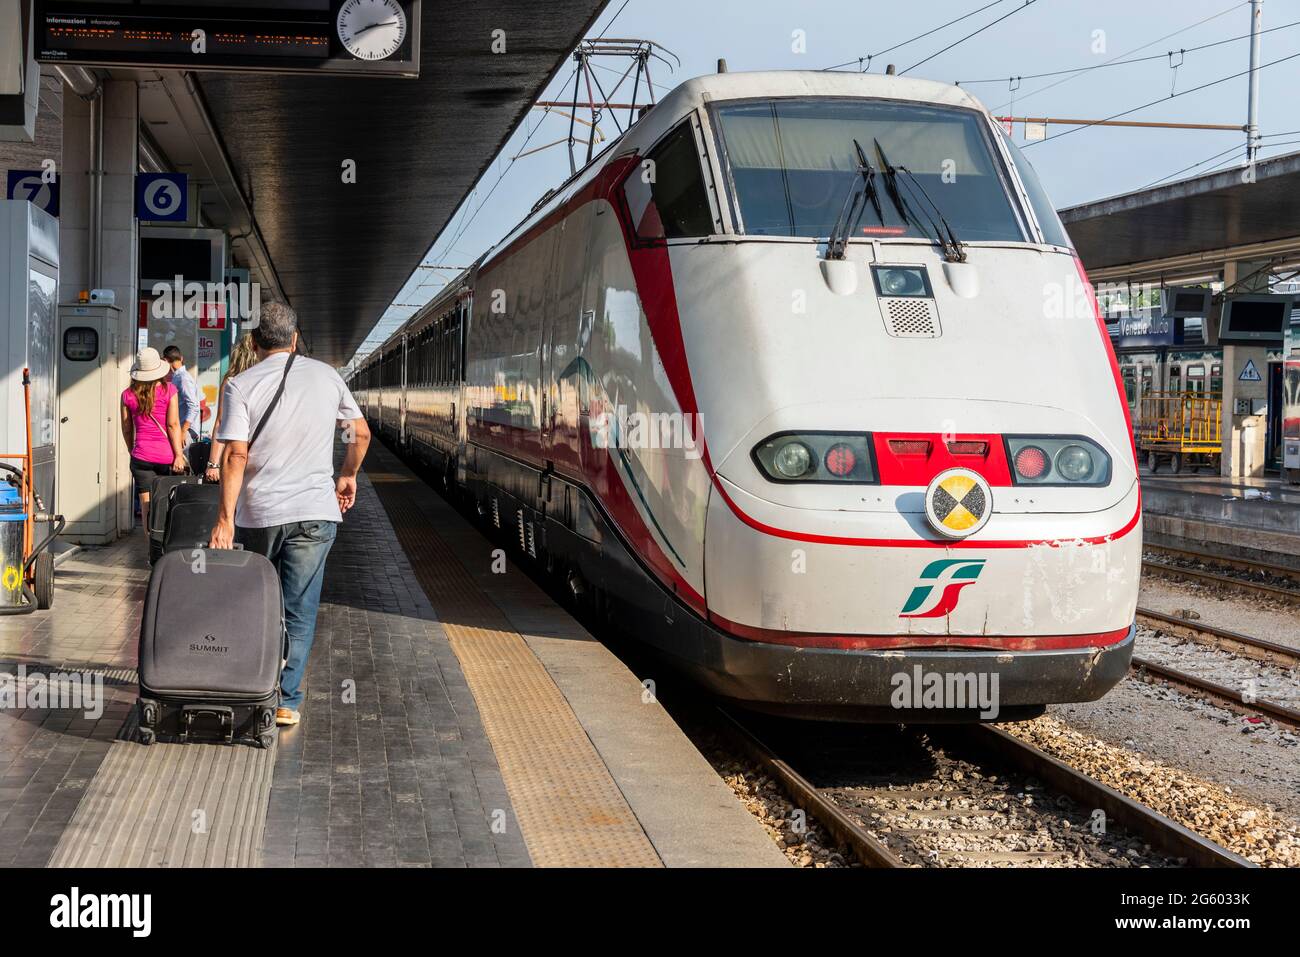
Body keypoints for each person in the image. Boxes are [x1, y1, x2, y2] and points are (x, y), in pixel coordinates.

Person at [208, 303, 371, 727]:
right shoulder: (327, 376)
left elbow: (236, 455)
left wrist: (225, 519)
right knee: (299, 607)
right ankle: (287, 701)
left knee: (255, 601)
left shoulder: (239, 385)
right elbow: (361, 432)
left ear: (255, 343)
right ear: (296, 339)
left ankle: (253, 686)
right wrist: (347, 475)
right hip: (316, 513)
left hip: (259, 512)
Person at [120, 347, 187, 534]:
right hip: (166, 457)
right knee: (165, 503)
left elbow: (126, 428)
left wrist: (131, 450)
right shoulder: (169, 390)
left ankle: (150, 552)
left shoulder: (127, 394)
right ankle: (164, 546)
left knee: (146, 506)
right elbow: (173, 424)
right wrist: (179, 456)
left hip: (141, 456)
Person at [204, 334, 259, 484]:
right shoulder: (265, 382)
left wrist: (213, 464)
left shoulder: (231, 382)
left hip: (235, 453)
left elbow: (221, 422)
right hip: (259, 456)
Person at [163, 345, 201, 448]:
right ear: (181, 358)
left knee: (183, 463)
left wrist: (183, 431)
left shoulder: (182, 378)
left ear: (166, 361)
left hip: (186, 431)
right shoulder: (178, 377)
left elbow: (194, 406)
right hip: (182, 429)